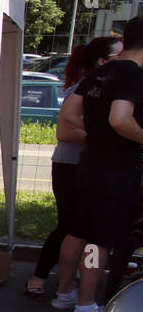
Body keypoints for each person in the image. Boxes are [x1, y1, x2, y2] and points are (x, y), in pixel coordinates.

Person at [52, 16, 143, 312]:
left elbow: (69, 112)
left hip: (88, 164)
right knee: (97, 239)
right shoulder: (134, 74)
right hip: (116, 170)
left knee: (77, 231)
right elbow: (120, 118)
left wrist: (96, 130)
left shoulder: (103, 70)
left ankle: (64, 293)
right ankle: (86, 305)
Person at [26, 36, 121, 296]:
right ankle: (45, 280)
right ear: (103, 61)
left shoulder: (94, 86)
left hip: (84, 167)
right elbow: (64, 132)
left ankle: (67, 287)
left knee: (81, 230)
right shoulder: (86, 86)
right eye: (119, 57)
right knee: (73, 229)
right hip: (72, 167)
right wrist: (111, 133)